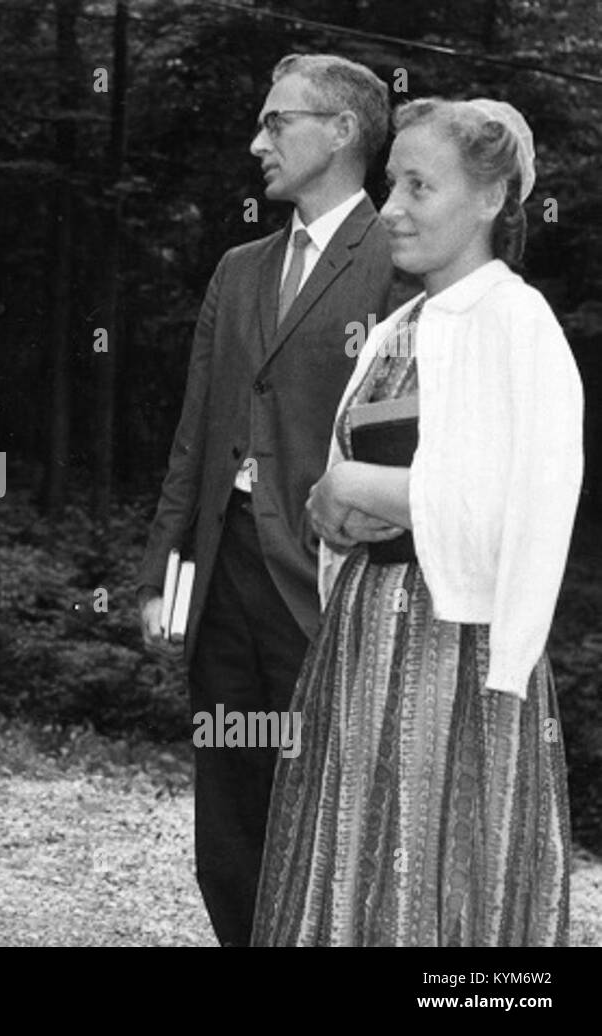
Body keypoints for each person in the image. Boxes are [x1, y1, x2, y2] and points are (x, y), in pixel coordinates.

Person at [253, 98, 582, 946]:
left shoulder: (518, 323)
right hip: (365, 639)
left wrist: (366, 483)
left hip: (460, 651)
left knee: (443, 872)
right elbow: (334, 485)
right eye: (392, 181)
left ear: (489, 199)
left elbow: (526, 500)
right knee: (352, 863)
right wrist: (331, 506)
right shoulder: (397, 328)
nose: (391, 206)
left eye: (418, 186)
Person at [135, 54, 404, 947]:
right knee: (230, 832)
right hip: (223, 586)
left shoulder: (398, 267)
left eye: (277, 121)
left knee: (327, 822)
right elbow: (194, 440)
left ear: (342, 132)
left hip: (327, 588)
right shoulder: (239, 269)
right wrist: (166, 580)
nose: (258, 142)